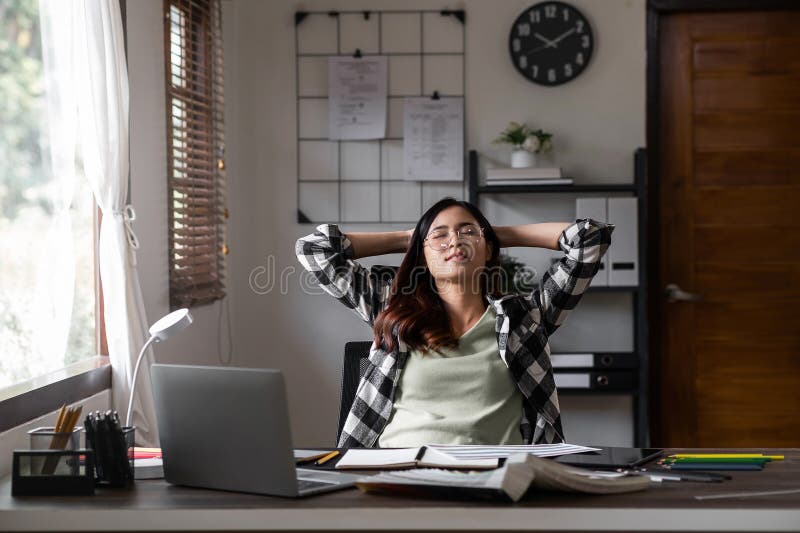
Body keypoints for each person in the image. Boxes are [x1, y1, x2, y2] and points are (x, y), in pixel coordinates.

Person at [296, 197, 613, 448]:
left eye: (467, 231)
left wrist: (498, 236)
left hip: (496, 478)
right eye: (441, 234)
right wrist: (411, 237)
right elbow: (315, 249)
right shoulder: (389, 309)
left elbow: (590, 239)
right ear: (421, 255)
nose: (454, 241)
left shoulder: (526, 318)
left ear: (488, 250)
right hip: (399, 475)